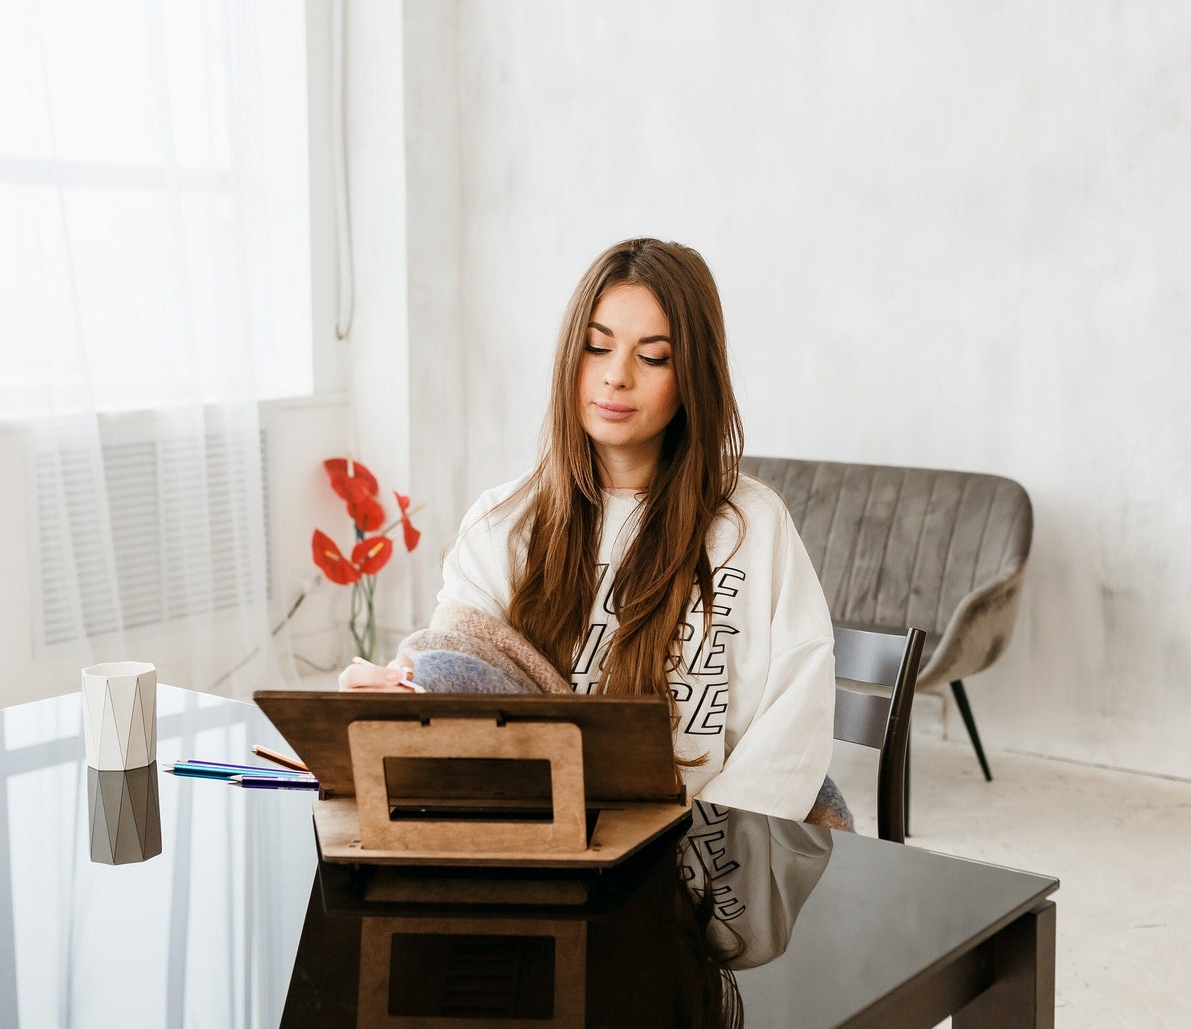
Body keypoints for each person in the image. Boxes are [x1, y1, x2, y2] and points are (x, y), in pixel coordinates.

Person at [341, 237, 836, 821]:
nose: (615, 377)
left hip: (708, 845)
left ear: (693, 377)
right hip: (545, 837)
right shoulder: (502, 524)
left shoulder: (752, 525)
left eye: (654, 357)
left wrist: (707, 844)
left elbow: (793, 720)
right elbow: (460, 671)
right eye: (597, 347)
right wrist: (404, 689)